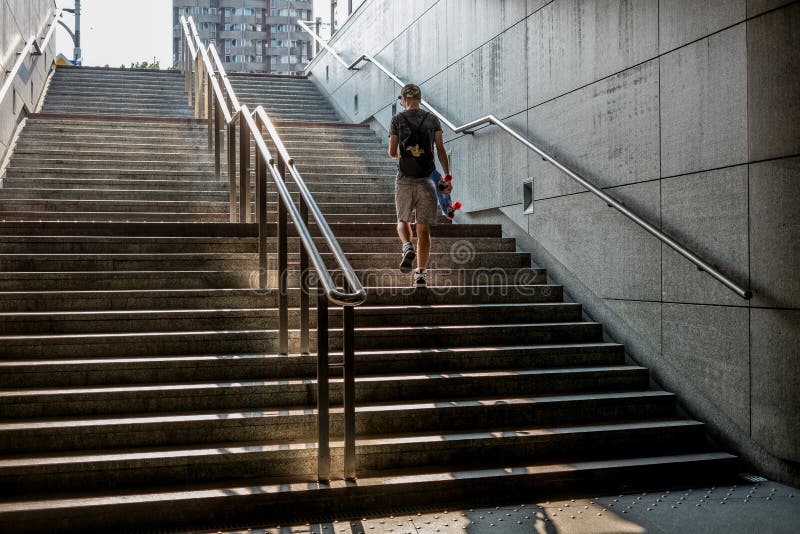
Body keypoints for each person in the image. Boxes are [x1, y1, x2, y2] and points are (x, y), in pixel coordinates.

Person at [388, 83, 452, 287]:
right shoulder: (432, 119)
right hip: (427, 180)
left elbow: (392, 152)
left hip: (405, 178)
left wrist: (404, 155)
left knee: (402, 221)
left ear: (405, 99)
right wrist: (447, 176)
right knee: (424, 230)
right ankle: (421, 275)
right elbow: (440, 149)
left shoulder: (397, 119)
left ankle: (407, 246)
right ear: (419, 99)